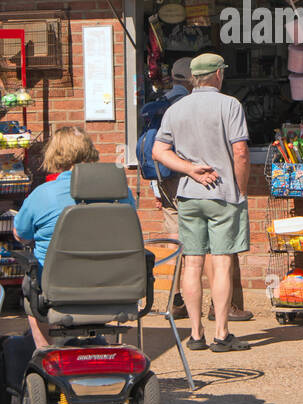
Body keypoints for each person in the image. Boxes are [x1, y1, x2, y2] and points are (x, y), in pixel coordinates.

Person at [152, 53, 251, 352]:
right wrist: (241, 189)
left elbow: (159, 150)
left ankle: (195, 334)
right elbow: (242, 153)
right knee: (221, 263)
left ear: (194, 77)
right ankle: (221, 333)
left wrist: (188, 168)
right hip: (223, 195)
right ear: (218, 74)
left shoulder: (176, 108)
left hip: (188, 194)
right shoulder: (230, 104)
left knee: (191, 264)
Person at [14, 126, 134, 348]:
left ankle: (45, 354)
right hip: (116, 288)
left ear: (55, 154)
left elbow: (21, 235)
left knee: (30, 288)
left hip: (58, 289)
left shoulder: (43, 194)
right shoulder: (121, 192)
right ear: (90, 151)